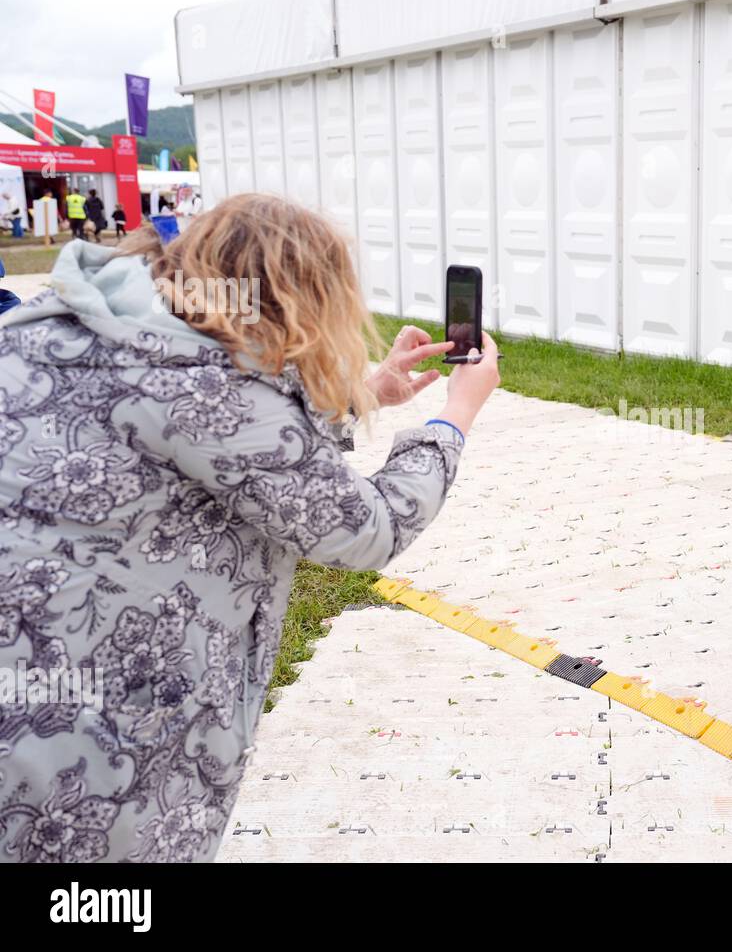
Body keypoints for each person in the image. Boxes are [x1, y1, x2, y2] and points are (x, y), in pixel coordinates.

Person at [0, 193, 500, 862]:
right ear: (298, 300)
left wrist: (365, 392)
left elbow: (226, 445)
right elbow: (366, 528)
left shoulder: (62, 327)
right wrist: (455, 416)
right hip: (97, 752)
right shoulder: (208, 388)